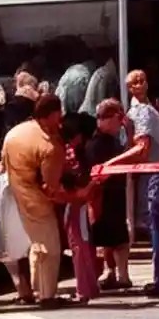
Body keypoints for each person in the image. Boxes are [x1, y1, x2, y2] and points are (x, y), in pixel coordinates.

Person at [109, 71, 159, 298]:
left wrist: (110, 164)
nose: (139, 85)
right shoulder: (140, 112)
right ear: (128, 88)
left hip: (157, 177)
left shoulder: (143, 112)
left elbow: (142, 149)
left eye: (142, 80)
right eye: (133, 82)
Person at [3, 94, 70, 308]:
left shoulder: (16, 132)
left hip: (12, 192)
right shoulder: (49, 146)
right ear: (53, 114)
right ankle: (47, 294)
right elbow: (50, 185)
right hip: (36, 197)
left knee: (35, 245)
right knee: (50, 247)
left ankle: (35, 287)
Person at [85, 99, 133, 290]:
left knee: (113, 236)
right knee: (113, 237)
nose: (121, 123)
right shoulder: (98, 143)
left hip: (112, 192)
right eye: (118, 118)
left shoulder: (108, 141)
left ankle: (117, 273)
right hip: (105, 194)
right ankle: (117, 273)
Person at [59, 113, 101, 304]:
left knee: (79, 245)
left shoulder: (69, 153)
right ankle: (89, 286)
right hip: (78, 202)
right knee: (82, 244)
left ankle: (84, 289)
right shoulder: (75, 153)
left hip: (74, 202)